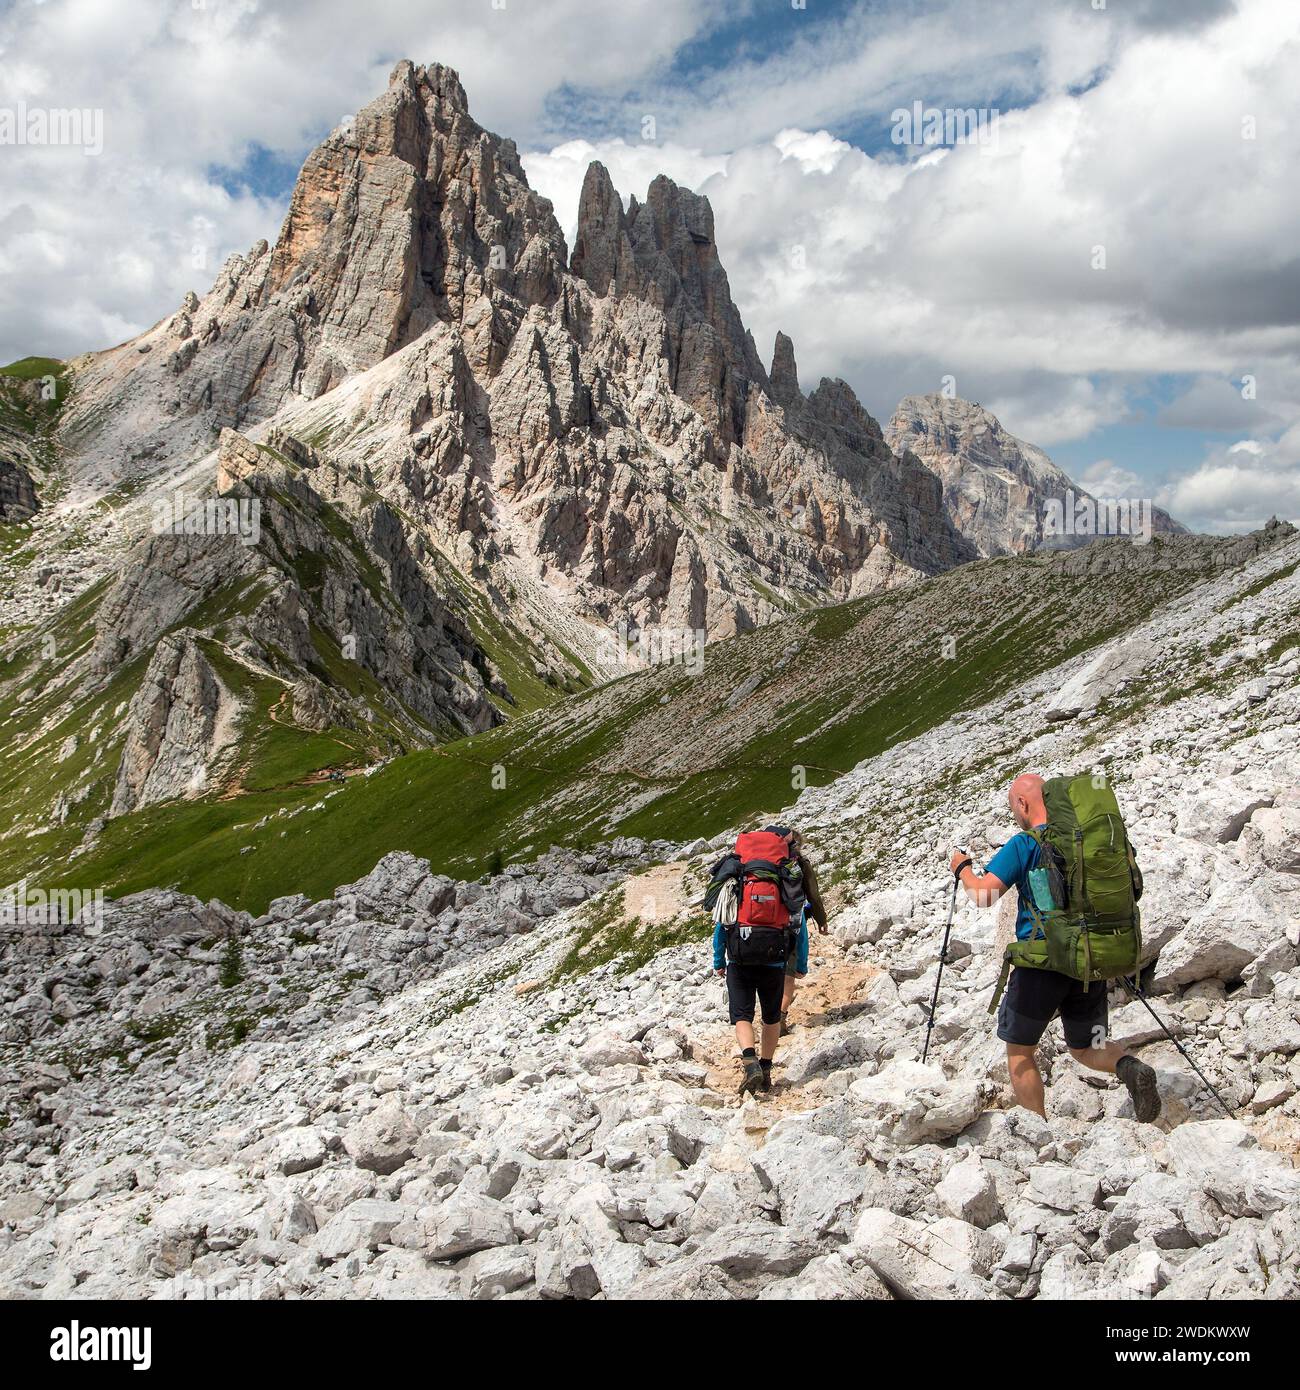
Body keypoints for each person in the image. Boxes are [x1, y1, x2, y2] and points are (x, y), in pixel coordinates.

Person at [950, 773, 1161, 1123]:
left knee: (1020, 1053)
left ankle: (1038, 1130)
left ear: (1022, 804)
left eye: (1013, 808)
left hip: (1040, 967)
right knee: (1086, 1046)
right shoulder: (1084, 841)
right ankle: (1129, 1066)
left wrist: (962, 869)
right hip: (1086, 962)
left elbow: (983, 894)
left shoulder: (1026, 843)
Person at [712, 824, 826, 1094]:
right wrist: (799, 963)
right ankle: (765, 1069)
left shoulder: (738, 871)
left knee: (742, 1015)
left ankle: (749, 1060)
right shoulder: (788, 874)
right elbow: (795, 923)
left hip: (739, 955)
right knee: (771, 1018)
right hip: (775, 958)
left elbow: (721, 922)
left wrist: (718, 959)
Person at [780, 831, 829, 1034]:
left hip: (755, 929)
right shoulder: (799, 863)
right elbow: (814, 897)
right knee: (787, 978)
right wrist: (821, 920)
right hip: (789, 927)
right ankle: (778, 1019)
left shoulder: (758, 866)